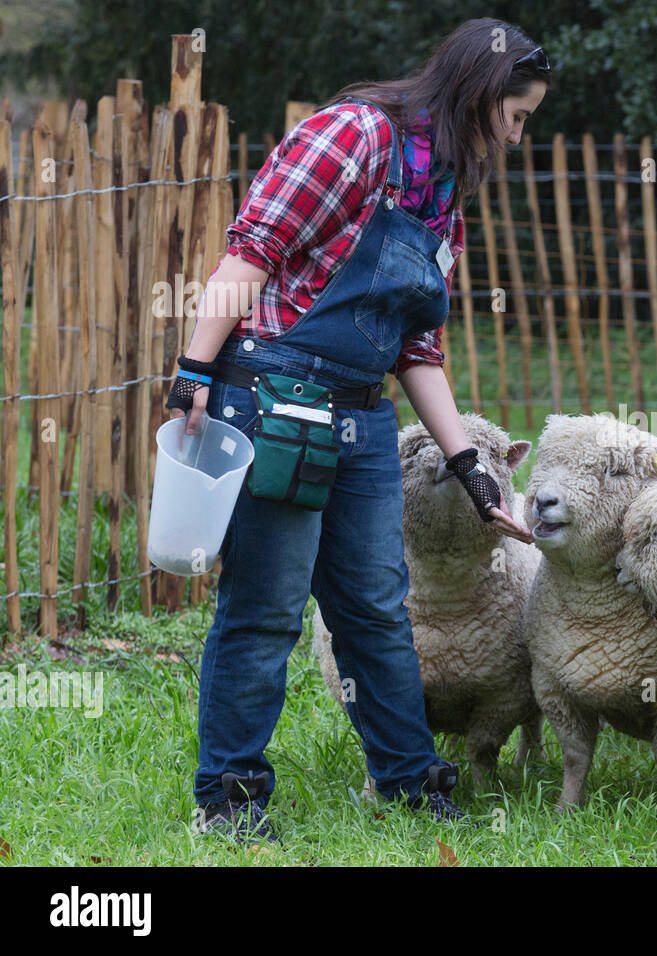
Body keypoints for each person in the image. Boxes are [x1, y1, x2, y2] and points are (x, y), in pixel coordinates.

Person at [164, 18, 548, 843]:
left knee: (376, 606)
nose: (517, 135)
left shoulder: (440, 189)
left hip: (360, 412)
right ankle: (228, 802)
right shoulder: (355, 136)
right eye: (515, 116)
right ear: (480, 96)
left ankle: (409, 782)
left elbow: (417, 343)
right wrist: (196, 369)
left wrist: (470, 464)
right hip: (273, 393)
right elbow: (250, 252)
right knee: (266, 610)